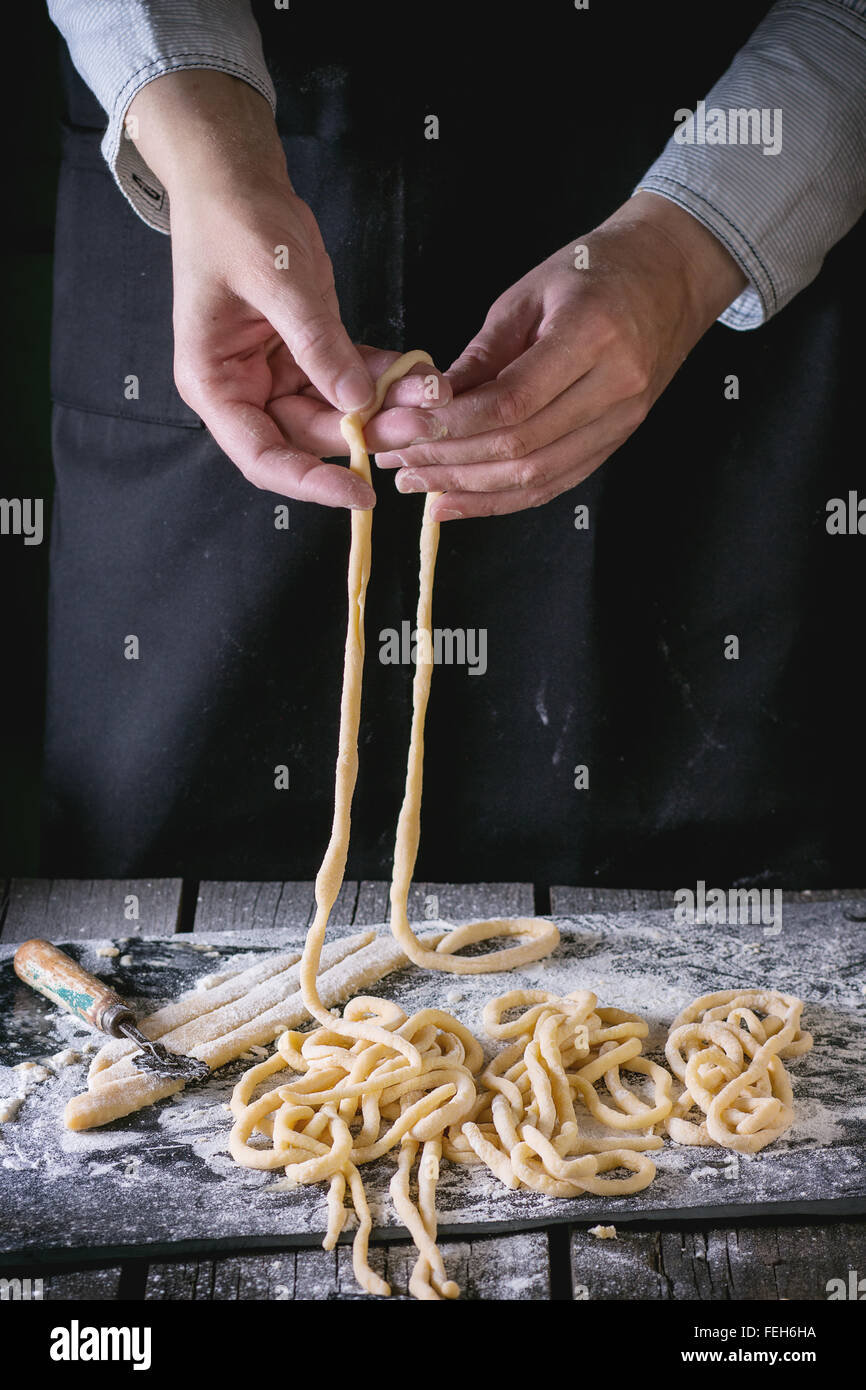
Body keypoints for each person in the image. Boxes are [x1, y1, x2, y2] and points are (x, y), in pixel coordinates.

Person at [42, 1, 866, 886]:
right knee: (171, 892)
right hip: (204, 192)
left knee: (716, 880)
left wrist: (690, 245)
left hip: (728, 189)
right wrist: (208, 154)